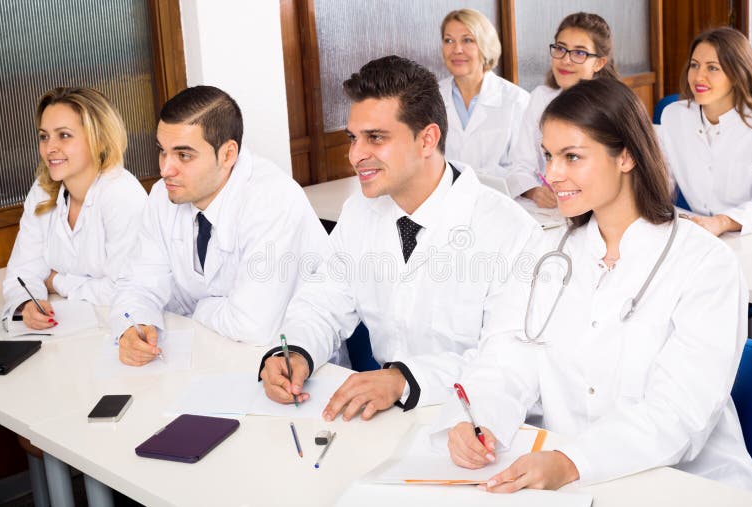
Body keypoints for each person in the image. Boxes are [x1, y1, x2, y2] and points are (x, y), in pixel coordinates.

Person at [438, 78, 752, 499]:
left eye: (572, 157)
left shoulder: (706, 263)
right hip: (566, 480)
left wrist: (575, 462)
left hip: (687, 486)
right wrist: (477, 419)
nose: (551, 174)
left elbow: (679, 413)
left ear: (626, 155)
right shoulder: (544, 252)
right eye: (549, 156)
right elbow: (506, 355)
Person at [259, 55, 543, 421]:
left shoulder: (511, 232)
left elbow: (507, 359)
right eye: (353, 138)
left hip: (482, 424)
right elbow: (322, 301)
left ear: (427, 139)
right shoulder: (360, 213)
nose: (355, 155)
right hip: (390, 418)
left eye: (375, 138)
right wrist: (296, 350)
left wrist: (403, 380)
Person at [112, 85, 329, 364]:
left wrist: (193, 308)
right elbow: (137, 283)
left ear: (227, 155)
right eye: (162, 152)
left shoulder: (272, 198)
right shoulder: (163, 196)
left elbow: (252, 326)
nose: (165, 169)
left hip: (284, 363)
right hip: (208, 353)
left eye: (184, 155)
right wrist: (133, 324)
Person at [2, 87, 147, 329]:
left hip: (123, 326)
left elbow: (125, 289)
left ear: (99, 140)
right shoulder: (42, 189)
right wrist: (28, 303)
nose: (50, 148)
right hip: (67, 327)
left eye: (64, 135)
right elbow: (22, 273)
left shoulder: (121, 194)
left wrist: (56, 281)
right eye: (44, 136)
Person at [659, 27, 752, 236]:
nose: (698, 76)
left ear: (737, 74)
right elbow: (662, 183)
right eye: (694, 65)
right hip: (704, 234)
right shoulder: (673, 116)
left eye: (712, 68)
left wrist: (722, 222)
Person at [511, 12, 619, 208]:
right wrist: (535, 192)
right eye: (560, 49)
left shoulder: (617, 106)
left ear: (599, 62)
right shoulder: (540, 98)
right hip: (552, 212)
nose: (565, 60)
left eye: (579, 53)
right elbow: (521, 164)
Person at [437, 9, 530, 197]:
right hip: (445, 202)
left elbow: (525, 167)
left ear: (485, 45)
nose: (457, 49)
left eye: (467, 40)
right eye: (449, 40)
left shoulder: (516, 100)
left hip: (501, 202)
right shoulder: (431, 98)